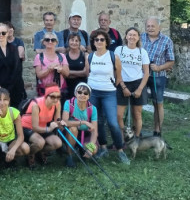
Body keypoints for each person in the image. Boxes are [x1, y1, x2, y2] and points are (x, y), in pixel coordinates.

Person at [87, 29, 130, 165]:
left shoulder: (113, 56)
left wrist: (111, 86)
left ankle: (120, 150)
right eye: (96, 40)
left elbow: (119, 76)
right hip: (93, 92)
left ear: (106, 42)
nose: (99, 42)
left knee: (112, 122)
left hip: (108, 93)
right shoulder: (90, 56)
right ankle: (103, 148)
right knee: (97, 122)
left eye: (102, 39)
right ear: (93, 42)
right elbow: (89, 73)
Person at [141, 17, 175, 140]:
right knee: (138, 103)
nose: (150, 28)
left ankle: (157, 131)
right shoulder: (140, 37)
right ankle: (137, 130)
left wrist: (159, 67)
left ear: (159, 27)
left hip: (158, 76)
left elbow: (171, 61)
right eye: (148, 26)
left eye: (152, 26)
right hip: (141, 75)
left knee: (158, 103)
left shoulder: (166, 41)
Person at [115, 27, 151, 141]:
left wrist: (140, 89)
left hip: (138, 83)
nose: (132, 37)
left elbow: (146, 73)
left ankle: (136, 139)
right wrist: (123, 86)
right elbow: (116, 71)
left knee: (137, 114)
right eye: (129, 34)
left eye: (134, 35)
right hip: (122, 82)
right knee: (119, 115)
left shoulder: (142, 52)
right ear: (126, 36)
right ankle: (121, 139)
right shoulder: (119, 50)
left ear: (138, 37)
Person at [20, 85, 64, 167]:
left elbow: (57, 120)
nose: (55, 99)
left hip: (43, 127)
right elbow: (35, 127)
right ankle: (30, 154)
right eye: (52, 96)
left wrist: (60, 123)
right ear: (46, 96)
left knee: (57, 143)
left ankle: (39, 152)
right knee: (40, 142)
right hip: (27, 127)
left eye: (58, 97)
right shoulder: (36, 105)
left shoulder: (57, 103)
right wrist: (49, 129)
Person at [0, 87, 29, 164]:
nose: (2, 103)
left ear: (9, 101)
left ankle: (10, 159)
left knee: (25, 148)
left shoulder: (14, 112)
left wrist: (13, 149)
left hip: (10, 141)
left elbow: (21, 136)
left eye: (5, 99)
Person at [0, 22, 25, 107]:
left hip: (14, 88)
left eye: (3, 33)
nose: (1, 35)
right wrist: (0, 89)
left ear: (7, 33)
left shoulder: (14, 49)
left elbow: (17, 69)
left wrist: (9, 88)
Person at [61, 82, 98, 167]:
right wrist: (83, 122)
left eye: (85, 93)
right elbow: (65, 122)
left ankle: (82, 150)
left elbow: (94, 131)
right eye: (79, 92)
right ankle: (69, 156)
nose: (82, 95)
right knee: (73, 129)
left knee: (94, 150)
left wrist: (90, 148)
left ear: (89, 96)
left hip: (85, 135)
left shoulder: (93, 109)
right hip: (71, 133)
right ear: (75, 93)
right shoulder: (68, 103)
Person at [33, 32, 70, 96]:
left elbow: (67, 73)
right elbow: (39, 75)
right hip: (44, 90)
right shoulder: (39, 57)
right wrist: (48, 69)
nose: (50, 42)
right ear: (43, 42)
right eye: (47, 40)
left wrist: (61, 69)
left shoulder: (62, 56)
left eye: (53, 40)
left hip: (59, 90)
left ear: (56, 43)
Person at [62, 32, 88, 101]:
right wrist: (80, 73)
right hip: (68, 88)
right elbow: (64, 74)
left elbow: (86, 73)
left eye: (76, 41)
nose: (74, 43)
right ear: (68, 42)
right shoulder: (64, 56)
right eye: (72, 40)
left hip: (82, 89)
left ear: (79, 43)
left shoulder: (85, 55)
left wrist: (69, 72)